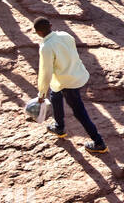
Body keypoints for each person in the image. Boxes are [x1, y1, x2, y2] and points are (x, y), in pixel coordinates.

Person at [33, 17, 108, 153]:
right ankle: (59, 126)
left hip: (68, 83)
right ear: (51, 25)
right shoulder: (65, 35)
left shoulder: (46, 47)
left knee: (79, 112)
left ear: (38, 33)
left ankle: (99, 143)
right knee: (55, 95)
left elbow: (46, 72)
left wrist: (41, 94)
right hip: (77, 75)